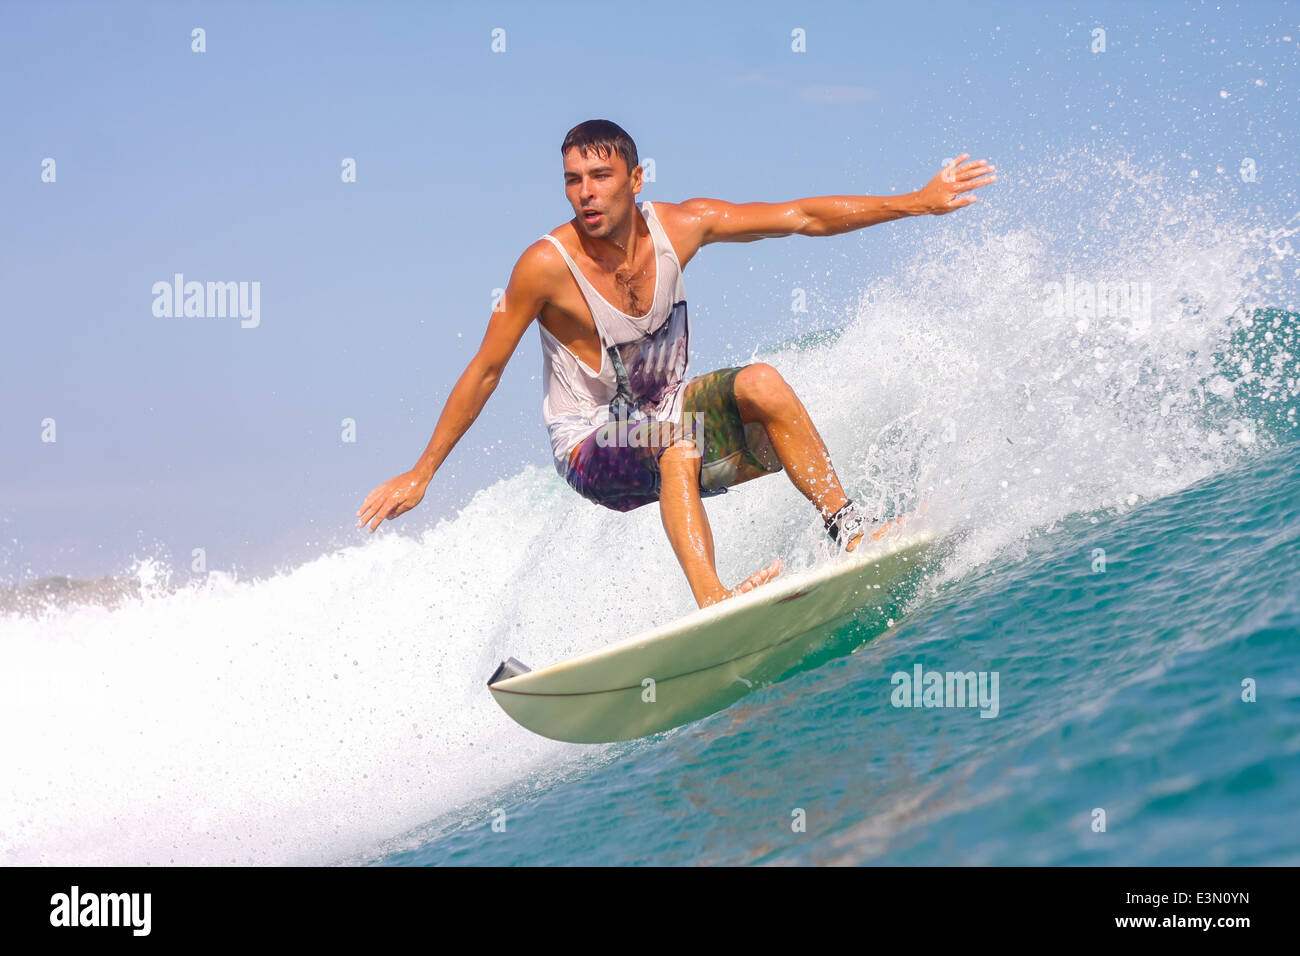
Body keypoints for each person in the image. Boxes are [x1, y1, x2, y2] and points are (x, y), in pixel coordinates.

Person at [357, 120, 995, 608]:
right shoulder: (545, 267)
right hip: (589, 451)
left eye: (600, 177)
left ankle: (851, 532)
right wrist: (423, 471)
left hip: (666, 425)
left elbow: (800, 217)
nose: (586, 194)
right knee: (678, 447)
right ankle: (713, 600)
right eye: (573, 180)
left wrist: (917, 200)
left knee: (763, 387)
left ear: (636, 180)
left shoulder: (683, 227)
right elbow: (485, 370)